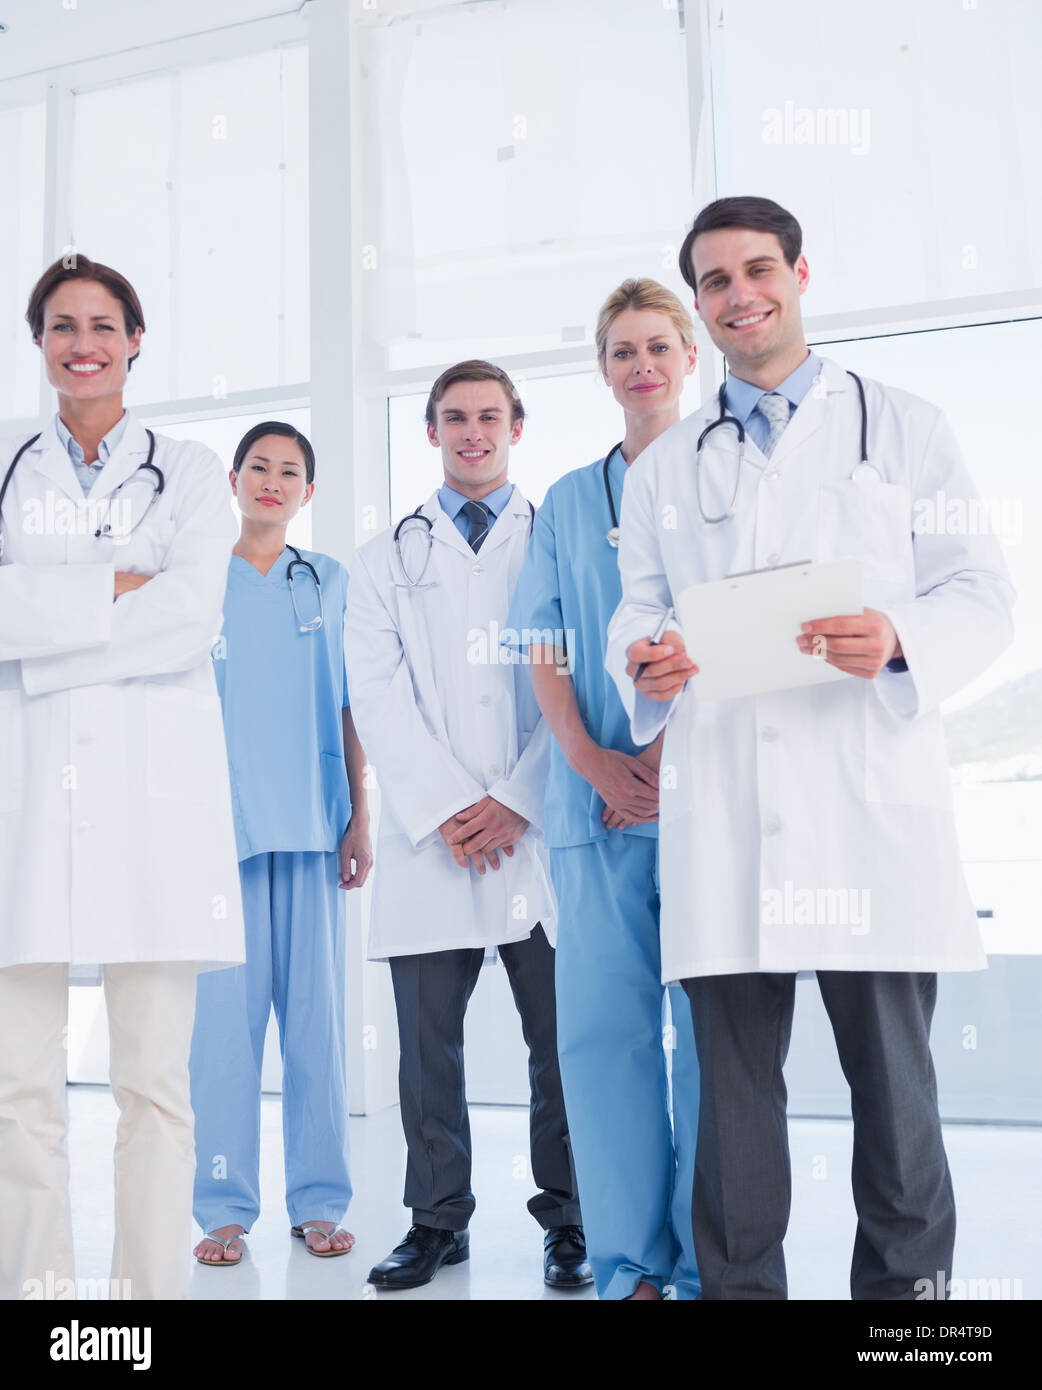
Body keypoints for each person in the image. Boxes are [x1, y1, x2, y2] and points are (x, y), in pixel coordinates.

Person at [606, 196, 1015, 1300]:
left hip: (865, 804)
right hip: (728, 809)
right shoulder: (665, 468)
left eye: (755, 269)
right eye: (714, 280)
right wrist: (641, 656)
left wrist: (896, 638)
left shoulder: (903, 424)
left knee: (895, 1090)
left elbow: (983, 593)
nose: (739, 294)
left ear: (797, 272)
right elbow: (635, 609)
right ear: (698, 303)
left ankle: (904, 1308)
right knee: (732, 1104)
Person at [0, 256, 245, 1301]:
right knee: (16, 1090)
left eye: (104, 323)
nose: (83, 341)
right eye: (62, 325)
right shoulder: (8, 462)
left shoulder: (189, 469)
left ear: (135, 339)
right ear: (41, 342)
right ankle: (41, 1305)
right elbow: (151, 614)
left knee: (154, 1085)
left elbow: (193, 614)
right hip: (25, 803)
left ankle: (142, 1318)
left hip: (157, 809)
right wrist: (119, 590)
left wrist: (39, 619)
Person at [344, 360, 590, 1291]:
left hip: (536, 832)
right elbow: (376, 692)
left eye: (489, 416)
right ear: (432, 432)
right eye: (454, 418)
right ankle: (437, 1222)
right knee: (425, 1056)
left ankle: (569, 1223)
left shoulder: (557, 541)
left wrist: (518, 799)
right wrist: (453, 806)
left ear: (517, 426)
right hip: (433, 842)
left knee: (561, 1048)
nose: (472, 432)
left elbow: (571, 679)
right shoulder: (383, 559)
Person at [505, 279, 701, 1300]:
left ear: (691, 356)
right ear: (602, 368)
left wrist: (663, 765)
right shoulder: (571, 502)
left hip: (700, 800)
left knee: (714, 1045)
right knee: (602, 1039)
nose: (641, 364)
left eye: (658, 345)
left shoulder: (723, 479)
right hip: (595, 807)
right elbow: (541, 642)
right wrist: (592, 764)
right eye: (622, 349)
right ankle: (631, 1265)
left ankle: (711, 1262)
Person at [189, 422, 372, 1267]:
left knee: (317, 1032)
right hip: (217, 837)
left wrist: (359, 815)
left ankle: (319, 1201)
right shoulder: (197, 585)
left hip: (311, 827)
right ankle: (223, 1209)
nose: (272, 480)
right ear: (233, 478)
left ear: (310, 491)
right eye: (258, 466)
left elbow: (350, 704)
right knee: (223, 1037)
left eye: (290, 470)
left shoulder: (329, 582)